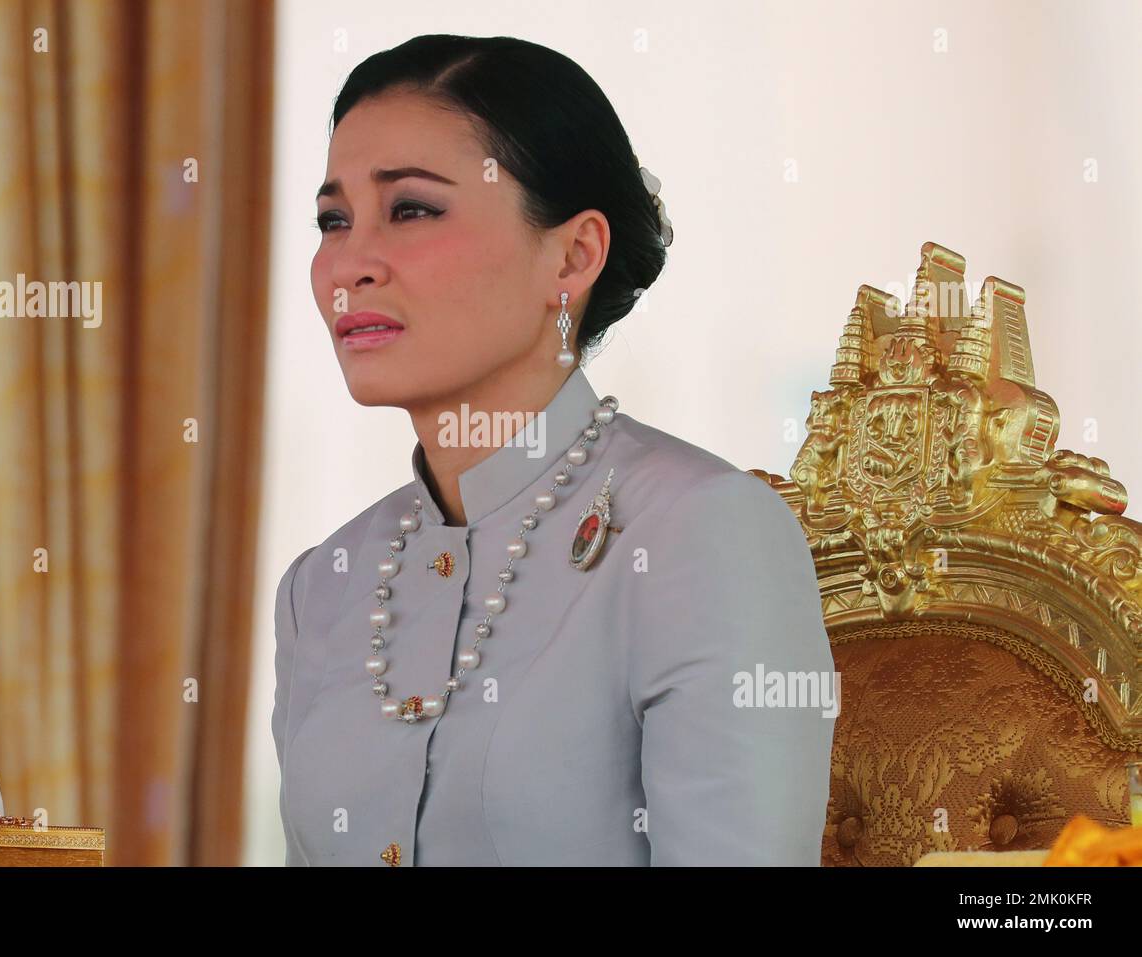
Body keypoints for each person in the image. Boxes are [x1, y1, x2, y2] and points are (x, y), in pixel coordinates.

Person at [273, 34, 835, 866]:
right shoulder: (323, 587)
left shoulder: (700, 536)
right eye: (333, 221)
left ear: (572, 256)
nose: (349, 264)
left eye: (412, 209)